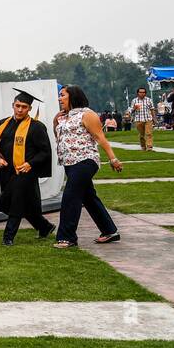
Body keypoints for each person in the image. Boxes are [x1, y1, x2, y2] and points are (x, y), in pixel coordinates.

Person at [53, 84, 123, 248]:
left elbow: (100, 138)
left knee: (70, 196)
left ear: (73, 96)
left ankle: (67, 237)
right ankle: (109, 231)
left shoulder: (87, 114)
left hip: (85, 160)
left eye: (62, 95)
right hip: (69, 162)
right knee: (88, 197)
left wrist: (113, 159)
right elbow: (59, 137)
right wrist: (55, 120)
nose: (59, 98)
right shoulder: (63, 117)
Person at [0, 89, 55, 245]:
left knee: (16, 202)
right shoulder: (2, 124)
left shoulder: (36, 127)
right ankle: (44, 227)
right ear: (13, 105)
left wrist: (31, 163)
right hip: (7, 171)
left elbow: (45, 151)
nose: (20, 109)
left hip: (25, 172)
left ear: (29, 108)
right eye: (18, 106)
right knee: (23, 203)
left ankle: (8, 236)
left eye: (24, 106)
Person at [128, 86, 155, 151]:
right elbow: (130, 111)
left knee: (149, 133)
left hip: (148, 119)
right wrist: (134, 108)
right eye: (140, 92)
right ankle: (143, 146)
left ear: (145, 93)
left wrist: (154, 118)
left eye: (143, 92)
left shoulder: (149, 100)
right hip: (138, 119)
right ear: (138, 93)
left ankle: (149, 147)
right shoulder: (134, 101)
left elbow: (152, 109)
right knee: (141, 135)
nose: (142, 93)